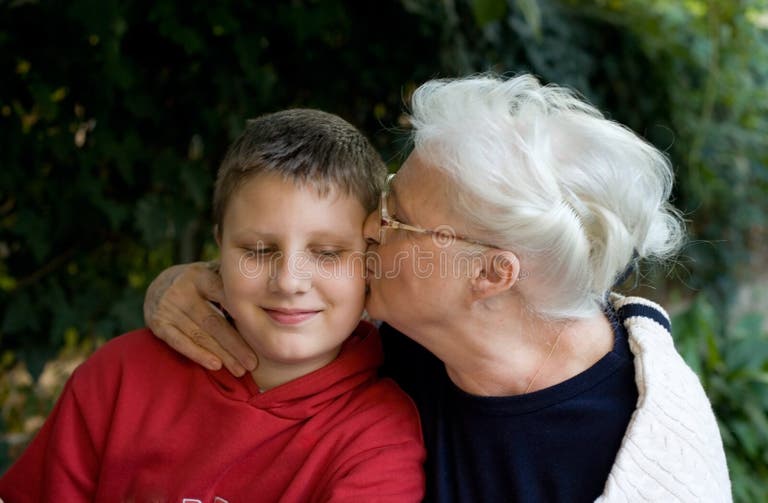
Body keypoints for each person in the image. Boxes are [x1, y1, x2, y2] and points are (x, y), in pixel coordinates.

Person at [142, 75, 732, 502]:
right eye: (386, 194)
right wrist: (192, 283)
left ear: (490, 275)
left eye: (396, 218)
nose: (368, 227)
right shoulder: (403, 339)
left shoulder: (631, 449)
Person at [0, 109, 426, 502]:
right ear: (219, 245)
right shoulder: (119, 377)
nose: (289, 281)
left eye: (328, 253)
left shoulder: (379, 438)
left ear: (372, 255)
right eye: (258, 250)